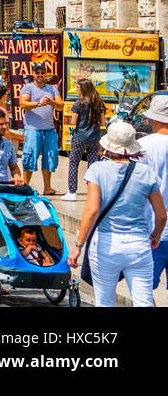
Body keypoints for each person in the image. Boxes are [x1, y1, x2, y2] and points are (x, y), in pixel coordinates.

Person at [68, 120, 165, 307]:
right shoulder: (146, 172)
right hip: (139, 244)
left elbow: (92, 210)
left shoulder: (97, 170)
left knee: (105, 302)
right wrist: (155, 235)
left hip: (106, 243)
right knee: (144, 302)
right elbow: (161, 215)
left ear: (107, 144)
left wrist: (79, 245)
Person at [137, 94, 168, 292]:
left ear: (155, 119)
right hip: (156, 230)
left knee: (143, 291)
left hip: (153, 230)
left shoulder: (143, 146)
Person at [19, 64, 62, 195]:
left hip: (49, 129)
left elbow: (61, 106)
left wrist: (52, 103)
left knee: (50, 158)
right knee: (30, 157)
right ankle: (25, 187)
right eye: (37, 72)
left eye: (42, 72)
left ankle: (47, 188)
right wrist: (39, 103)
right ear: (33, 74)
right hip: (33, 129)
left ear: (45, 74)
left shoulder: (52, 89)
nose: (39, 75)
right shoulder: (28, 88)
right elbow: (23, 104)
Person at [63, 77, 105, 201]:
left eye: (78, 87)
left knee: (73, 163)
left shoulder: (79, 104)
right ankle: (92, 191)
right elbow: (103, 122)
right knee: (93, 165)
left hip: (79, 138)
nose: (76, 89)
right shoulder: (99, 103)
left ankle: (72, 192)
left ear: (83, 89)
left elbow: (74, 121)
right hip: (95, 138)